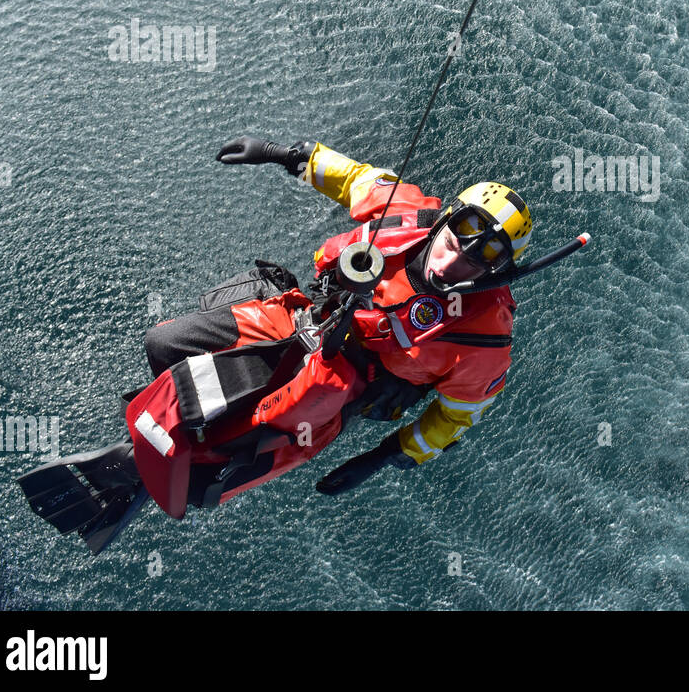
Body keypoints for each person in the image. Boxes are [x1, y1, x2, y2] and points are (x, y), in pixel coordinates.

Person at [144, 134, 532, 494]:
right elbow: (352, 178)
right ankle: (171, 424)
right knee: (164, 343)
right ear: (447, 218)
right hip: (299, 319)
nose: (450, 266)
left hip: (341, 388)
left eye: (476, 263)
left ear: (495, 273)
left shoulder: (485, 340)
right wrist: (280, 153)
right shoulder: (406, 210)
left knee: (215, 476)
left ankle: (184, 462)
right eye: (453, 242)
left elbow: (455, 417)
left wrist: (382, 457)